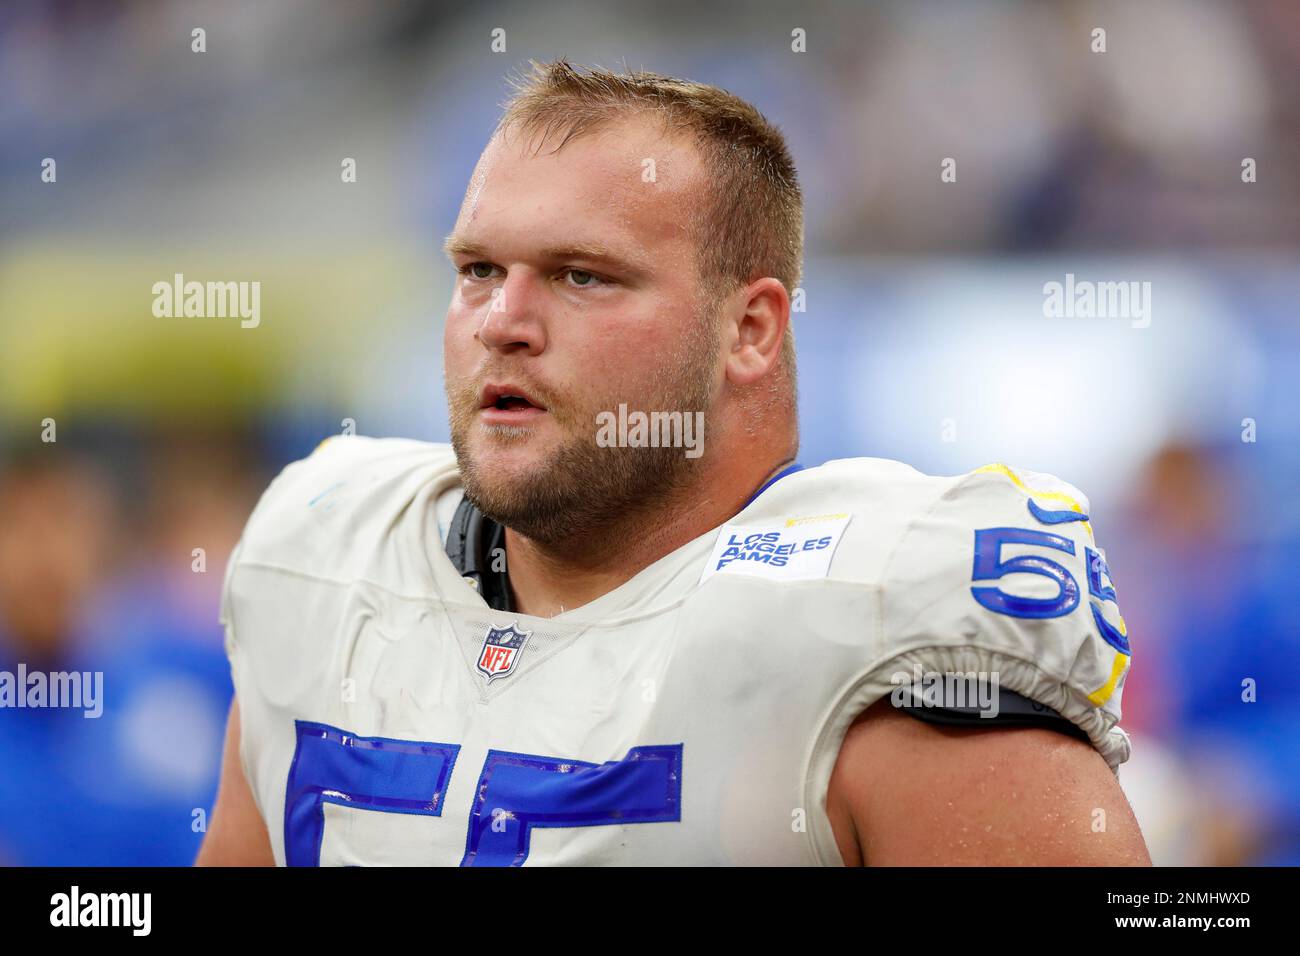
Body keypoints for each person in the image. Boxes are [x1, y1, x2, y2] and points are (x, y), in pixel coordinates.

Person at [197, 60, 1149, 866]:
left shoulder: (874, 617)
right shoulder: (326, 557)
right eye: (479, 270)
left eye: (582, 276)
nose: (503, 324)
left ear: (749, 329)